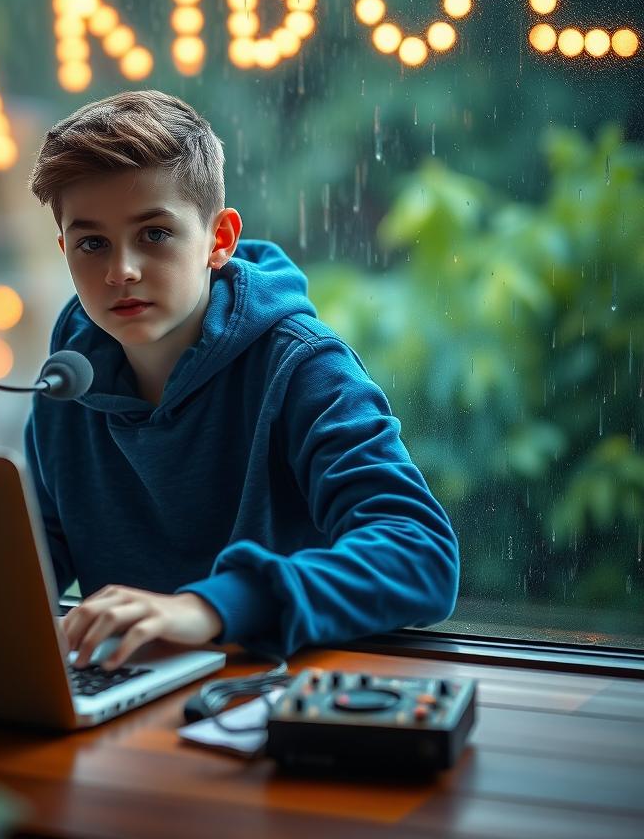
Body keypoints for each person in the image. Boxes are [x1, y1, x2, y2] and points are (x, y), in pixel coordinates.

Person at [25, 89, 460, 671]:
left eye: (154, 234)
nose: (120, 271)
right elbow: (32, 561)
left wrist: (210, 606)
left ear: (220, 240)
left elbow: (421, 554)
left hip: (268, 688)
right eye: (92, 243)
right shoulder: (65, 384)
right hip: (121, 687)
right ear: (65, 250)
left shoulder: (302, 365)